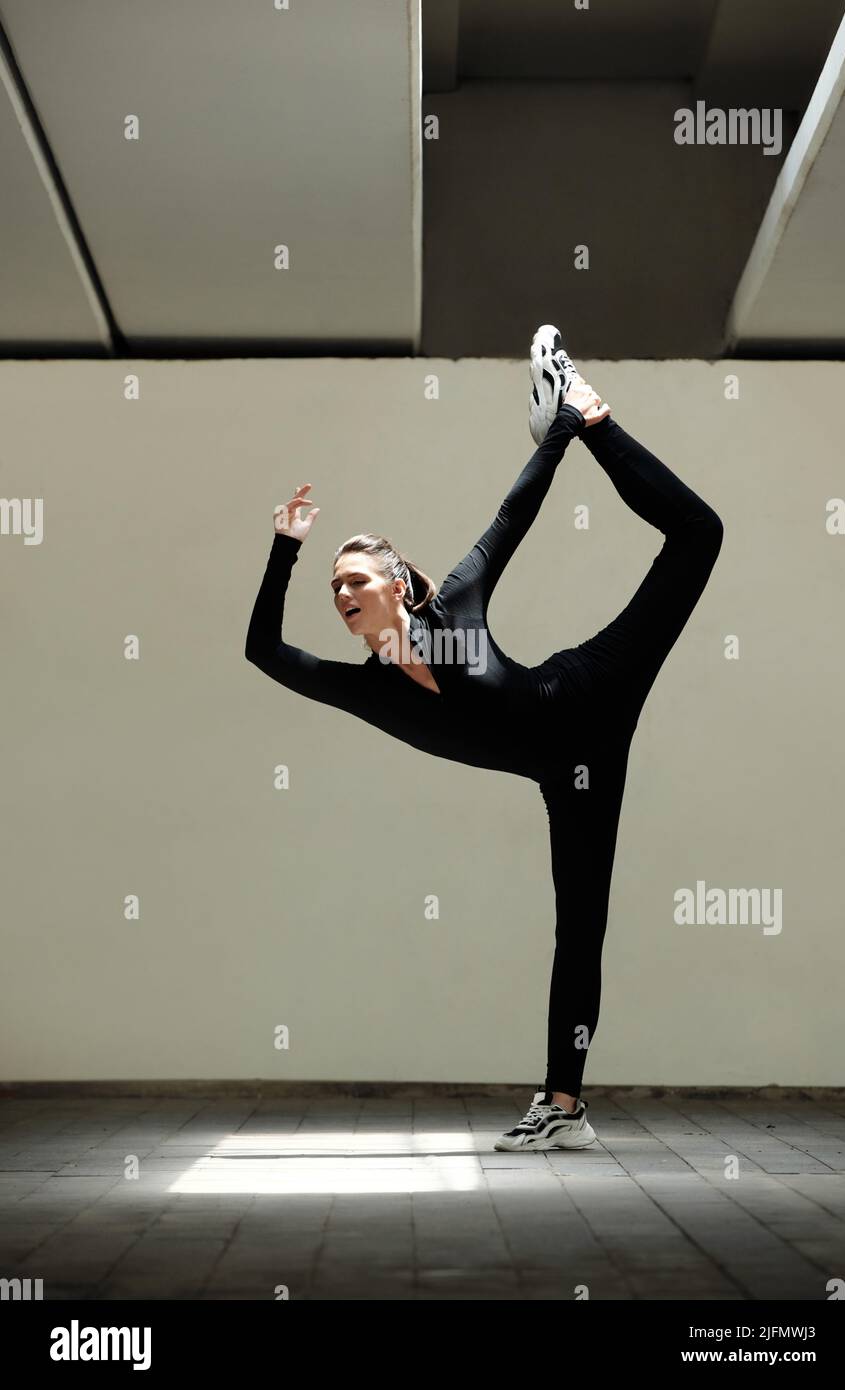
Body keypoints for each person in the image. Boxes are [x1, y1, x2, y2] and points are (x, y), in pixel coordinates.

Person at [245, 325, 723, 1151]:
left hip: (587, 688)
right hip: (573, 770)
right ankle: (564, 1108)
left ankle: (591, 406)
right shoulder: (362, 687)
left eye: (354, 579)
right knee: (581, 928)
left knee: (699, 535)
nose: (342, 594)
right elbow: (264, 652)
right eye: (334, 588)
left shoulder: (454, 603)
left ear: (397, 585)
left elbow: (515, 512)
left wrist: (570, 432)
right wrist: (286, 549)